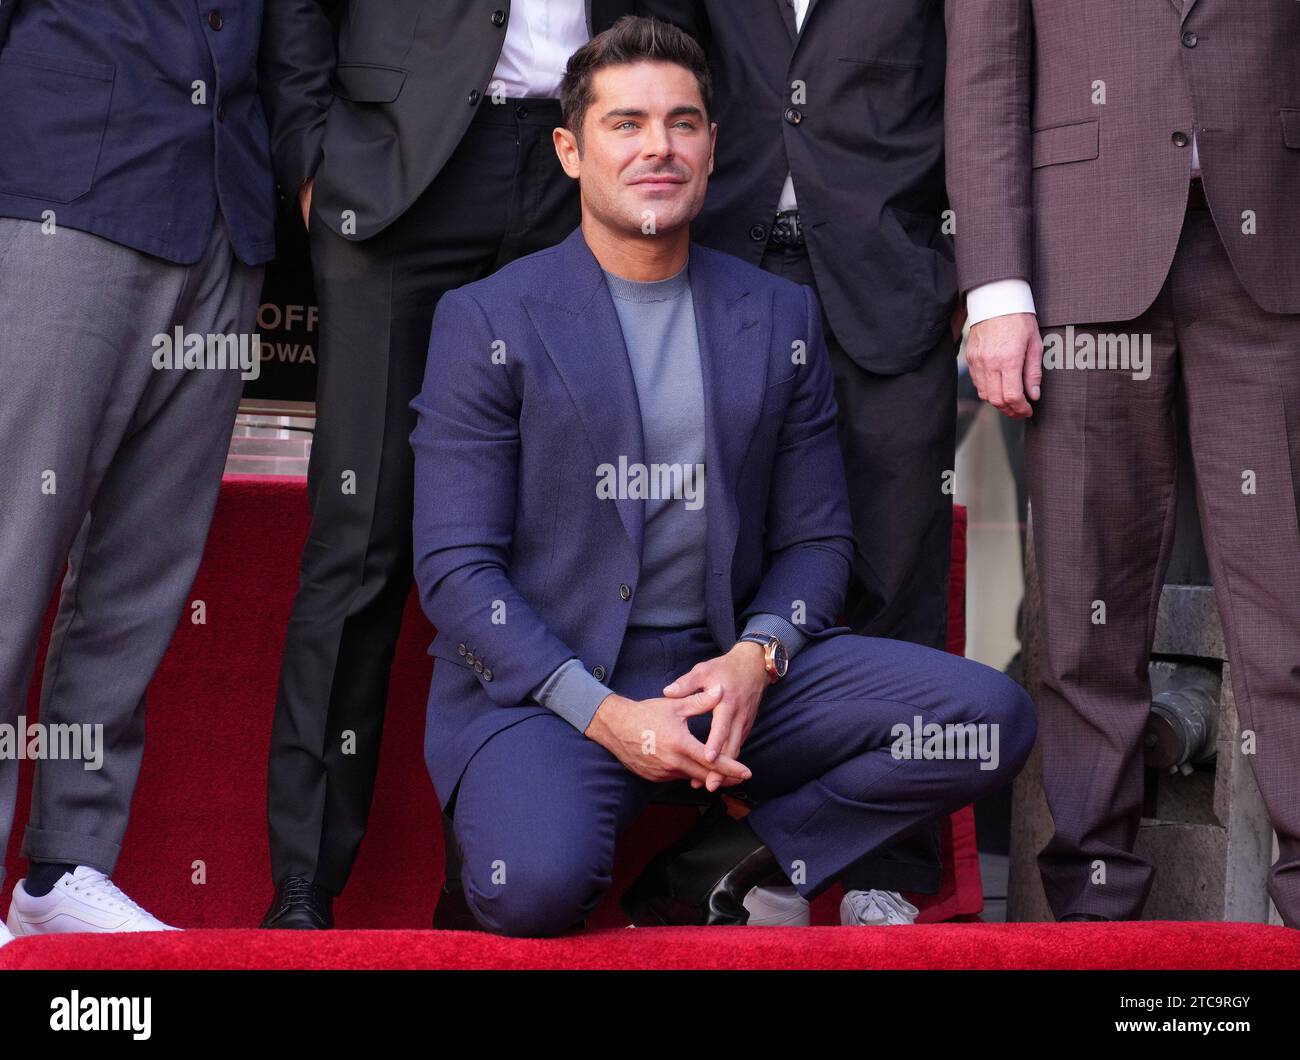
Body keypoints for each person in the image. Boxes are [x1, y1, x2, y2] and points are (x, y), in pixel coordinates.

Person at [411, 15, 1034, 936]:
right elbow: (458, 573)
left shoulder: (778, 316)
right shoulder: (486, 318)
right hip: (560, 683)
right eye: (625, 124)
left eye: (683, 123)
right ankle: (529, 836)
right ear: (569, 149)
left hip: (726, 677)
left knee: (989, 720)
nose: (657, 147)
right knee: (534, 887)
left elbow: (818, 537)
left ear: (712, 145)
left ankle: (724, 864)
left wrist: (760, 655)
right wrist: (607, 715)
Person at [256, 0, 698, 930]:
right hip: (397, 166)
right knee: (362, 536)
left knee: (563, 535)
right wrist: (309, 161)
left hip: (579, 154)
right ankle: (304, 880)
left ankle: (490, 871)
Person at [945, 0, 1300, 924]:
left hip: (1273, 246)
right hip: (1080, 256)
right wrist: (995, 287)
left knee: (1291, 595)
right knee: (1082, 606)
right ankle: (1093, 909)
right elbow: (984, 75)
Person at [682, 0, 961, 925]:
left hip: (890, 276)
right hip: (724, 265)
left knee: (899, 576)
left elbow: (976, 87)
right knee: (729, 572)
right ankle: (748, 852)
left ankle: (891, 862)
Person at [0, 0, 273, 943]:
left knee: (142, 572)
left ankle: (63, 867)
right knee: (8, 554)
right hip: (58, 195)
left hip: (226, 218)